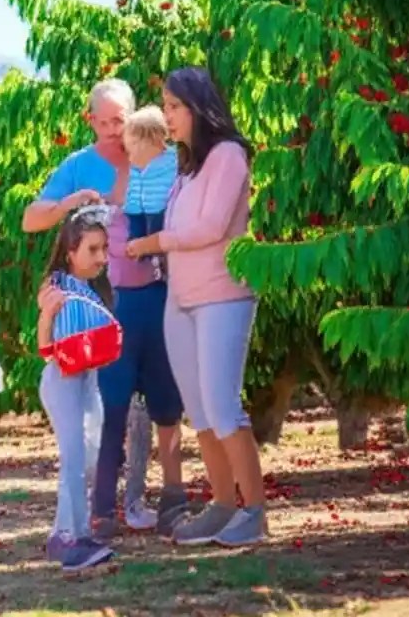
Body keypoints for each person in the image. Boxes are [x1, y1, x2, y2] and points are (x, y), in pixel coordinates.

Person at [23, 79, 188, 539]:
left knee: (158, 405)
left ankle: (152, 499)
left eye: (122, 120)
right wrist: (69, 203)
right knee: (112, 407)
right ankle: (105, 506)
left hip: (152, 296)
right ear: (90, 121)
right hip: (103, 305)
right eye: (105, 121)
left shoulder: (157, 161)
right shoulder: (79, 165)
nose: (115, 130)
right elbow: (31, 218)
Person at [126, 66, 266, 547]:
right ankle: (223, 506)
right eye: (164, 107)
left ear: (197, 107)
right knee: (202, 413)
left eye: (172, 107)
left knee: (224, 408)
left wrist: (154, 242)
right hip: (182, 300)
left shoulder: (228, 155)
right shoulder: (187, 166)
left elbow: (209, 227)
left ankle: (254, 511)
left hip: (222, 297)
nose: (166, 117)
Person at [37, 205, 116, 572]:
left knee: (86, 456)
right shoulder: (57, 288)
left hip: (87, 379)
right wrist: (47, 314)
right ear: (71, 252)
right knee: (73, 457)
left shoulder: (92, 290)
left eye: (104, 248)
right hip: (63, 380)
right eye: (92, 250)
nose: (101, 257)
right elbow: (44, 348)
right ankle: (75, 538)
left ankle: (62, 534)